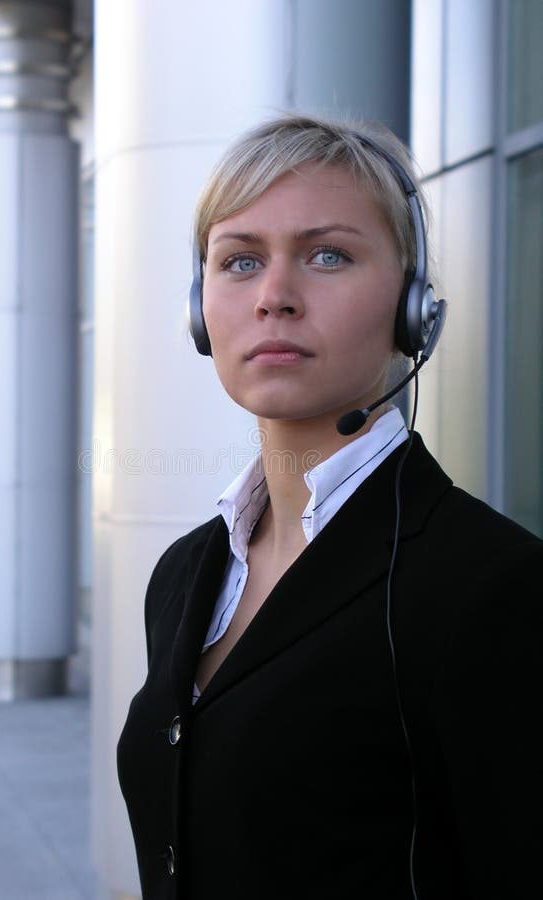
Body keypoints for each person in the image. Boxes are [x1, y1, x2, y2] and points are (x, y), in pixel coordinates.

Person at [117, 114, 543, 900]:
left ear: (414, 308)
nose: (274, 296)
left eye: (327, 255)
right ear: (199, 308)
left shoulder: (496, 588)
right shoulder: (182, 575)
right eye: (239, 260)